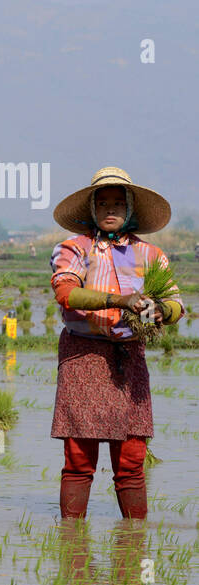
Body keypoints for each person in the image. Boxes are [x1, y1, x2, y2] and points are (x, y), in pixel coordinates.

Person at [48, 167, 184, 520]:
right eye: (103, 202)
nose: (110, 209)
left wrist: (160, 312)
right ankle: (72, 548)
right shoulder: (74, 248)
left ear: (130, 209)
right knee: (79, 456)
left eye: (118, 203)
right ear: (92, 209)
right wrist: (118, 300)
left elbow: (176, 304)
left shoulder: (151, 255)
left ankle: (133, 546)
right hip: (83, 354)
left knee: (132, 458)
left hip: (130, 358)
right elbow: (65, 291)